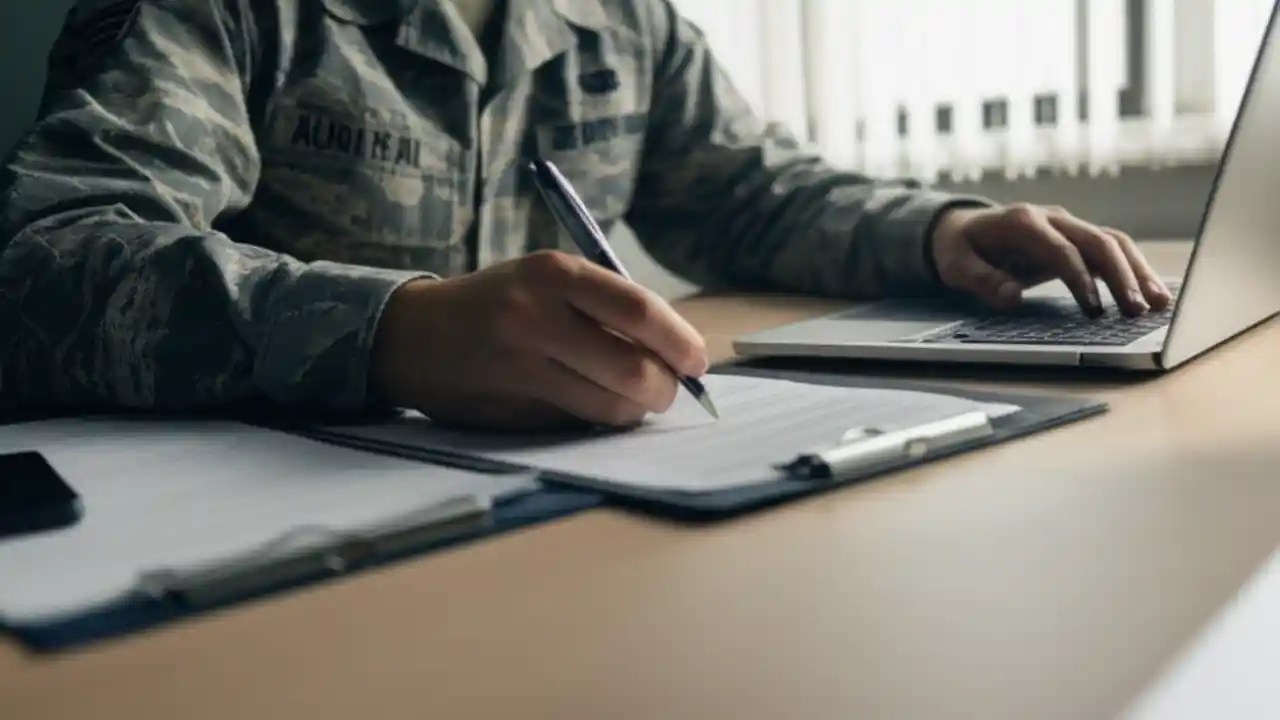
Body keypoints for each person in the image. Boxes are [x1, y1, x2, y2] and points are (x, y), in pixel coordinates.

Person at [0, 0, 1172, 429]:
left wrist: (937, 233)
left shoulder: (623, 21)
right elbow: (44, 266)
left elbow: (749, 194)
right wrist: (388, 330)